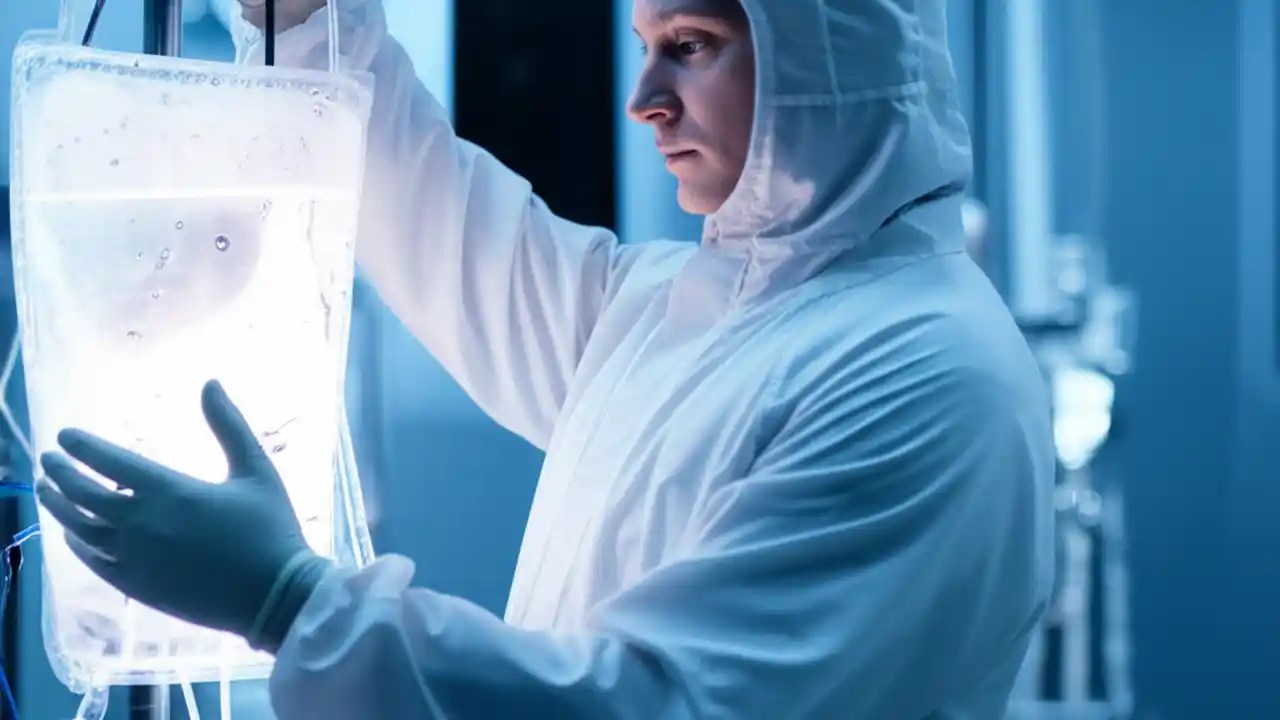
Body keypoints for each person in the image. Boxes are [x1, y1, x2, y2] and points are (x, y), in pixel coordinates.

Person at [35, 0, 1056, 717]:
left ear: (828, 60)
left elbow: (658, 707)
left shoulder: (927, 379)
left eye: (691, 45)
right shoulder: (673, 310)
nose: (643, 98)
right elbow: (436, 217)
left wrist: (288, 601)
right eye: (644, 46)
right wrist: (305, 21)